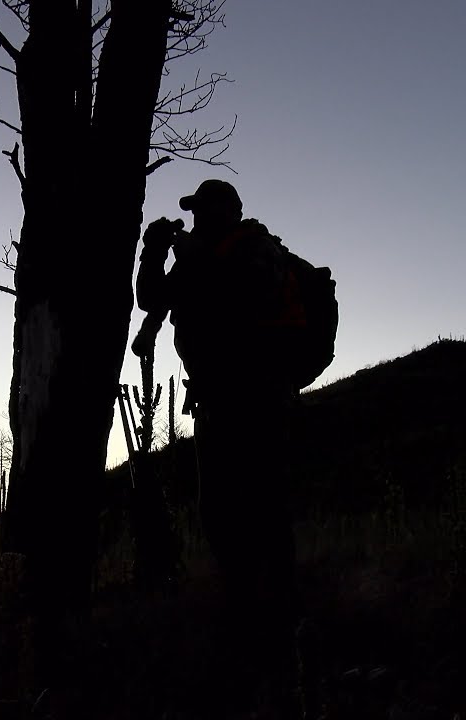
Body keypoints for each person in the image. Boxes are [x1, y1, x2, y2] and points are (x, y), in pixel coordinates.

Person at [135, 179, 300, 647]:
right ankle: (245, 610)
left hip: (259, 397)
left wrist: (190, 252)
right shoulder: (196, 258)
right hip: (215, 402)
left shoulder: (255, 248)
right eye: (194, 211)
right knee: (219, 511)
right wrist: (153, 251)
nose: (196, 218)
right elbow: (151, 299)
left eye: (203, 209)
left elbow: (241, 292)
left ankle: (285, 619)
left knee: (265, 506)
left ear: (227, 211)